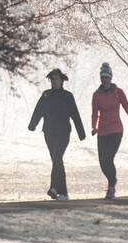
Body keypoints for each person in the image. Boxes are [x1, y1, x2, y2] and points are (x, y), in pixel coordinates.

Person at [28, 68, 86, 200]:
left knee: (57, 158)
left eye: (56, 79)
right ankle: (57, 190)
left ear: (61, 80)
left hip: (64, 132)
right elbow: (38, 111)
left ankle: (60, 190)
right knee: (56, 160)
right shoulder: (46, 95)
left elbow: (75, 114)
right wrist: (32, 125)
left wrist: (81, 133)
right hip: (49, 132)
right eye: (52, 79)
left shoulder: (67, 96)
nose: (54, 81)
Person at [91, 62, 128, 199]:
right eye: (102, 77)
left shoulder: (118, 92)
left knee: (108, 158)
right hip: (102, 131)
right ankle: (112, 181)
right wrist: (93, 126)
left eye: (106, 77)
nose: (104, 79)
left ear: (111, 78)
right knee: (102, 162)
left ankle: (111, 186)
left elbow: (127, 109)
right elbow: (94, 113)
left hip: (116, 130)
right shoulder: (96, 95)